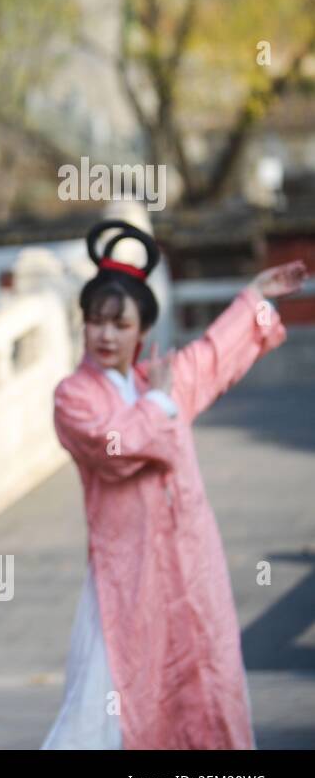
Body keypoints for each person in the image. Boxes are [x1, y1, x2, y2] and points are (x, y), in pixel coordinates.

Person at [43, 219, 307, 749]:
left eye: (120, 324)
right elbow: (119, 445)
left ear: (142, 331)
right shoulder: (75, 397)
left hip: (192, 567)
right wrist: (161, 405)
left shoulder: (156, 379)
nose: (106, 335)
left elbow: (211, 357)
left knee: (205, 685)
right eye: (96, 322)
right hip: (126, 579)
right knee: (111, 705)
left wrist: (254, 296)